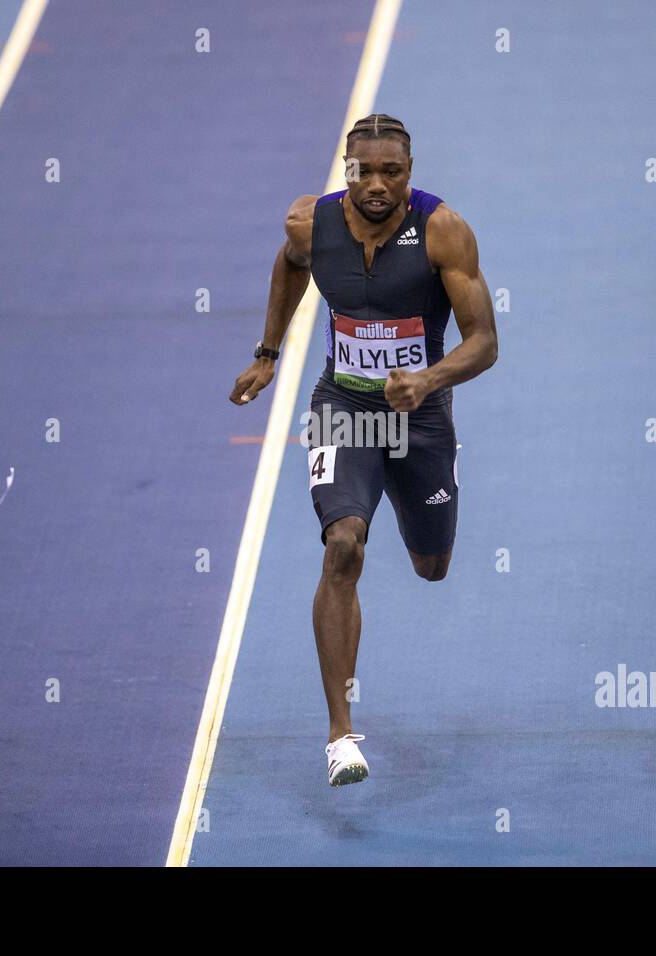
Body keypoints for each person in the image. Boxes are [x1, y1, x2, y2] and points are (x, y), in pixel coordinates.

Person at [230, 115, 498, 786]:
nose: (376, 184)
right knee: (343, 545)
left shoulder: (444, 230)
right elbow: (291, 267)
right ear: (344, 169)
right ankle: (340, 735)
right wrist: (269, 353)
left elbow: (483, 340)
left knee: (431, 565)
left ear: (411, 172)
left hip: (422, 416)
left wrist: (429, 378)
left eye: (391, 172)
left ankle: (428, 509)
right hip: (343, 406)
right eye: (362, 171)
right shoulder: (309, 224)